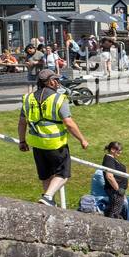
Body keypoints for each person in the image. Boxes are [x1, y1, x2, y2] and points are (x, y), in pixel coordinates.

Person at [18, 69, 88, 206]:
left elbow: (22, 122)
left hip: (37, 144)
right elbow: (69, 123)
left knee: (46, 175)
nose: (58, 83)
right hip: (55, 144)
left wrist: (22, 141)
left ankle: (49, 202)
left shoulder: (27, 98)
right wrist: (82, 140)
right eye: (56, 80)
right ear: (50, 82)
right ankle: (48, 197)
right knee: (63, 174)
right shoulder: (59, 99)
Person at [101, 141, 129, 219]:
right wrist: (118, 189)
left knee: (127, 204)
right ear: (113, 149)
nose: (121, 152)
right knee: (114, 213)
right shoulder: (109, 159)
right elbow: (109, 176)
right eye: (119, 150)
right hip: (115, 191)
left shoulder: (112, 159)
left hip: (119, 191)